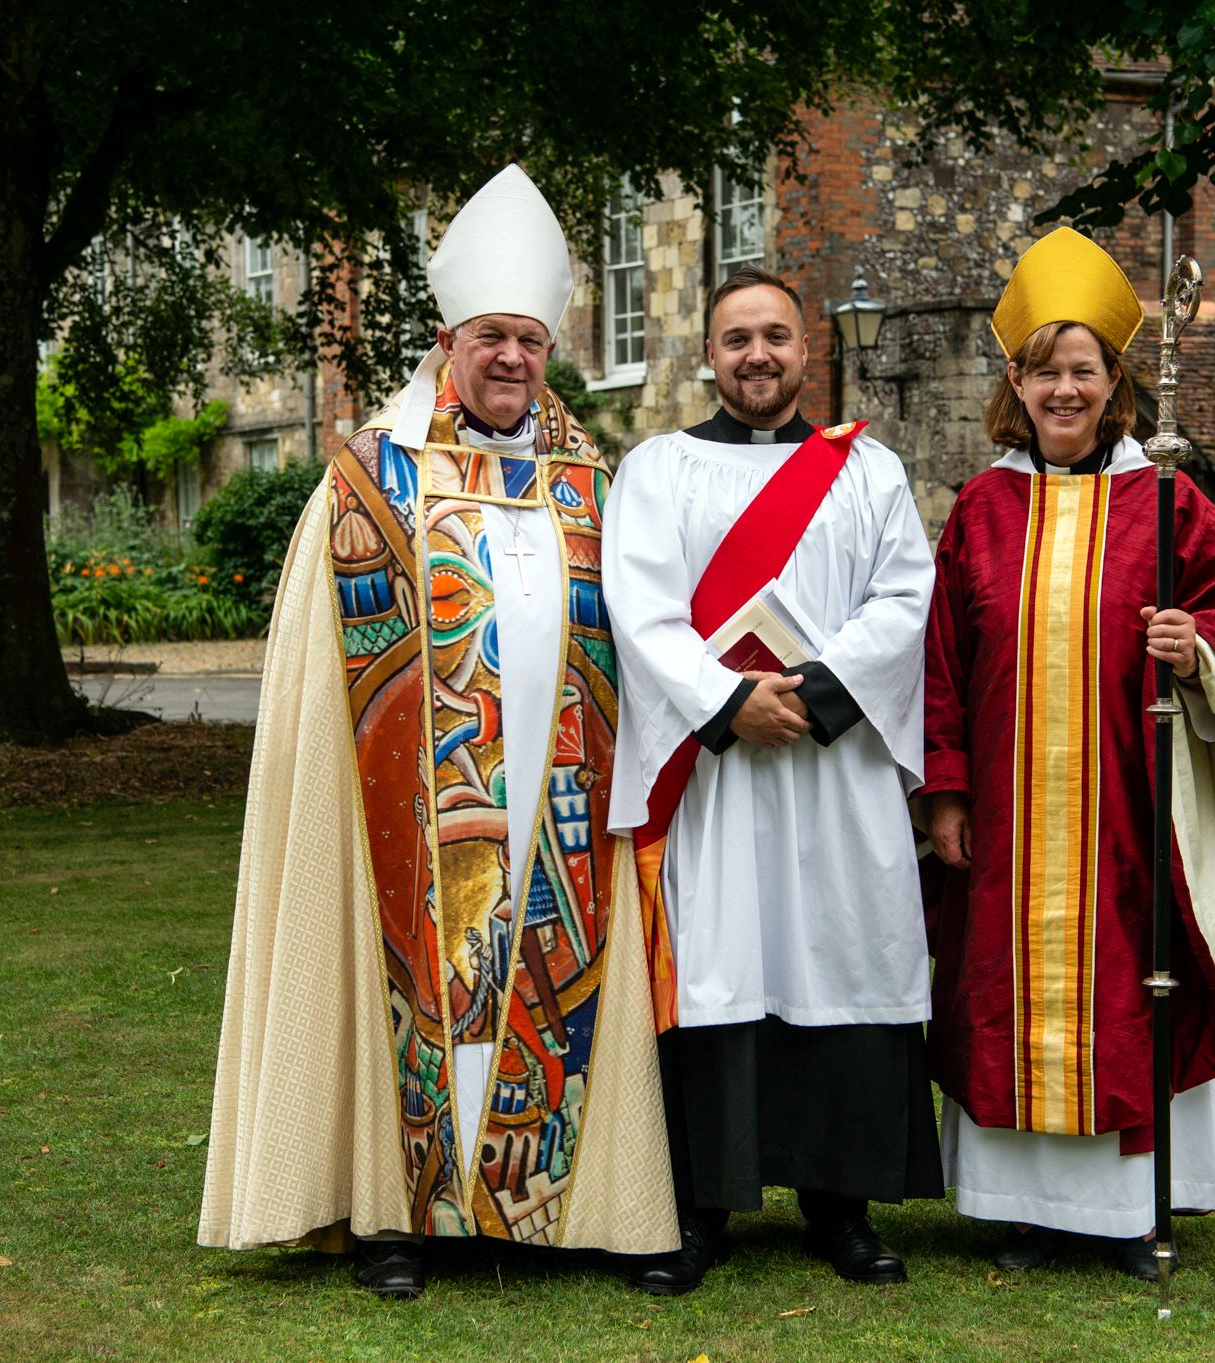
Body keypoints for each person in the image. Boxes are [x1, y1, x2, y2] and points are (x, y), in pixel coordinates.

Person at [199, 165, 676, 1299]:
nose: (511, 357)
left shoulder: (590, 484)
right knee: (417, 979)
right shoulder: (371, 481)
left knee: (551, 975)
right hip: (410, 801)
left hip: (557, 792)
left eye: (530, 338)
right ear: (445, 339)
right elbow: (325, 681)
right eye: (489, 336)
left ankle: (559, 1209)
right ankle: (390, 1217)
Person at [921, 227, 1215, 1279]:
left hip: (1131, 809)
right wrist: (943, 795)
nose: (1062, 389)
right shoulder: (980, 512)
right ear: (1015, 382)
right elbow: (941, 665)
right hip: (1005, 817)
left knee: (1141, 985)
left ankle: (1136, 1207)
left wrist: (1194, 654)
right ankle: (1024, 1207)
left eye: (1080, 370)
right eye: (1043, 370)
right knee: (1003, 994)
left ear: (1112, 383)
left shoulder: (1169, 504)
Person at [603, 266, 941, 1295]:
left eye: (776, 336)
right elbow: (640, 607)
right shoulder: (654, 471)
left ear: (807, 351)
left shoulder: (869, 472)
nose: (758, 354)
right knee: (718, 970)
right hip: (717, 774)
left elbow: (902, 595)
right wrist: (726, 703)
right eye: (737, 337)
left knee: (845, 957)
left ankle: (841, 1210)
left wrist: (822, 690)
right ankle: (698, 1211)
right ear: (707, 355)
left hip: (834, 766)